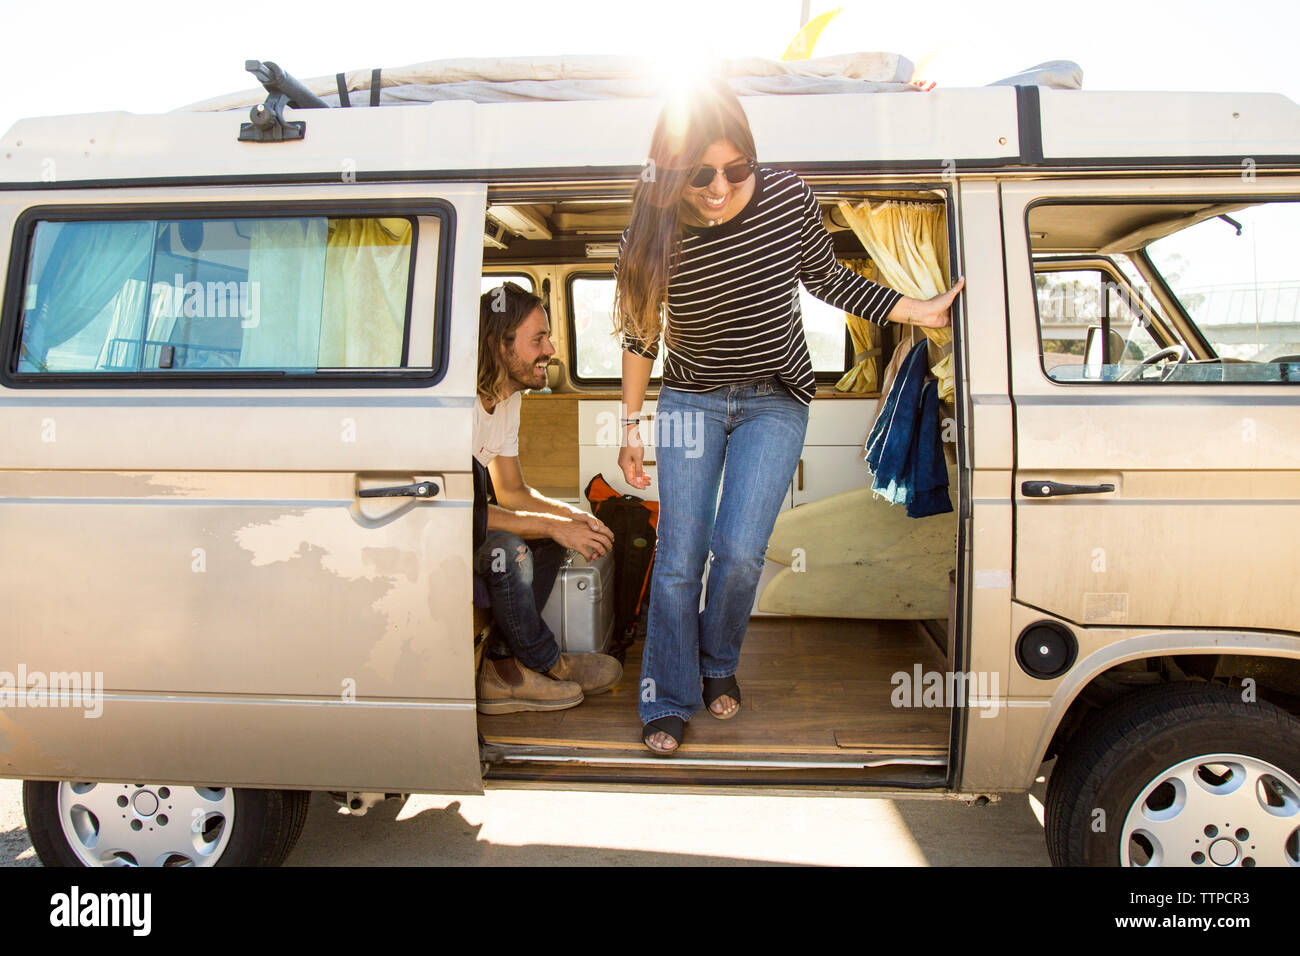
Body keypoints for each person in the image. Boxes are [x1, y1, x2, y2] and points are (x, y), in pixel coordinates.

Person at [614, 78, 964, 754]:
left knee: (740, 552)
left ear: (751, 158)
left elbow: (829, 281)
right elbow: (638, 334)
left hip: (776, 398)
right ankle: (668, 694)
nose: (719, 187)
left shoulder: (787, 198)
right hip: (692, 398)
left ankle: (718, 662)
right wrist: (630, 426)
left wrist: (916, 310)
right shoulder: (652, 222)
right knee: (680, 557)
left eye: (735, 169)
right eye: (699, 174)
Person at [474, 282, 623, 713]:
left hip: (471, 519)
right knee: (511, 550)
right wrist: (552, 525)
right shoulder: (459, 403)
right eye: (537, 339)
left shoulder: (507, 400)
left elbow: (512, 490)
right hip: (440, 529)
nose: (551, 349)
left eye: (549, 337)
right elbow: (468, 512)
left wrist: (571, 518)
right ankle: (547, 663)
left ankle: (503, 668)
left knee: (552, 538)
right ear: (498, 345)